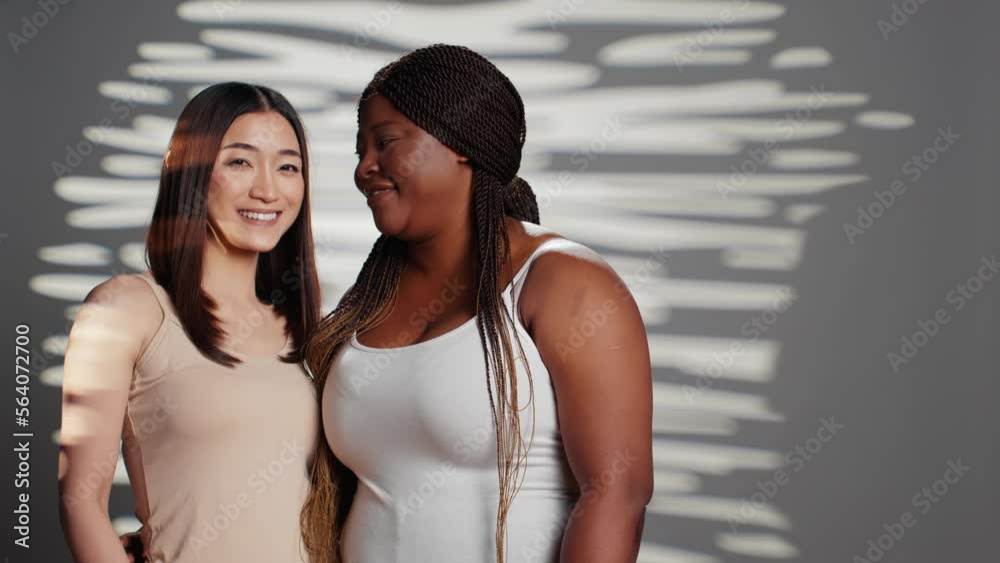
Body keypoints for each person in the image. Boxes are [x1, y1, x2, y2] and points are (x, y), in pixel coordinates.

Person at [301, 44, 654, 563]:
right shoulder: (369, 302)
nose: (365, 169)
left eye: (386, 143)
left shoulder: (563, 283)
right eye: (360, 151)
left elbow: (617, 492)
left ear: (461, 143)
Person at [58, 82, 322, 562]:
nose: (267, 189)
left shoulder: (305, 332)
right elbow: (81, 501)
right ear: (189, 168)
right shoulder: (126, 310)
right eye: (239, 161)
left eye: (288, 166)